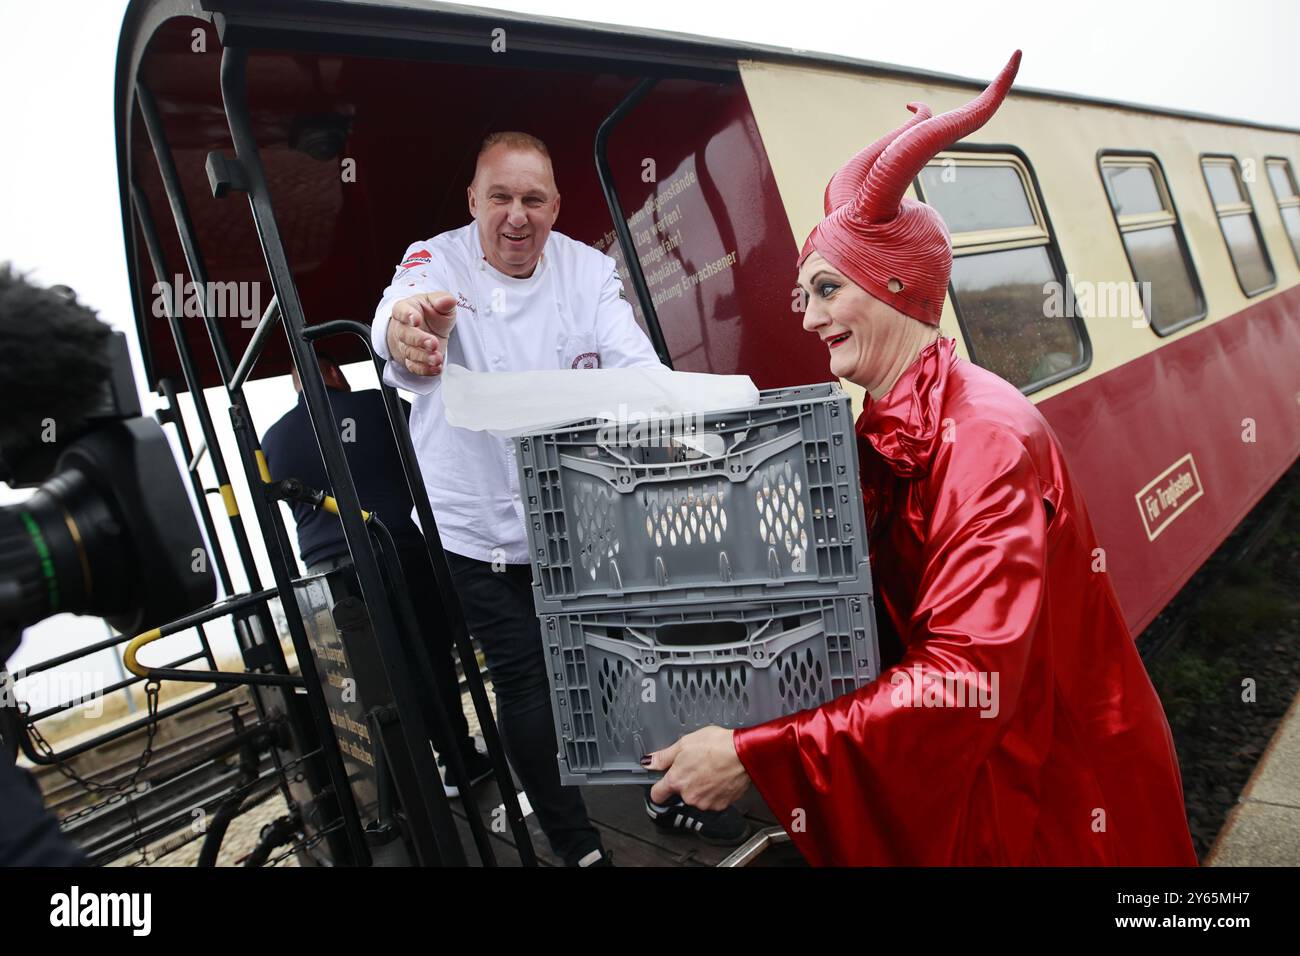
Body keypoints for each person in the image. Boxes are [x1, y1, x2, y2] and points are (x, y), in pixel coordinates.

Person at [644, 52, 1199, 866]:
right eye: (806, 294)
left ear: (897, 287)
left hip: (1058, 791)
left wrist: (757, 751)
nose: (808, 317)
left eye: (828, 290)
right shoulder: (896, 415)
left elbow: (963, 678)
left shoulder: (982, 441)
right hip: (1008, 762)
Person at [369, 131, 748, 866]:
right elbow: (400, 313)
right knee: (528, 682)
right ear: (474, 201)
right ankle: (578, 848)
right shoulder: (436, 258)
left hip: (578, 515)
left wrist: (672, 419)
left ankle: (664, 790)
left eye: (533, 199)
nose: (517, 216)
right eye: (500, 198)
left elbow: (632, 361)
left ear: (555, 206)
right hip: (473, 525)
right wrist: (408, 333)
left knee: (625, 660)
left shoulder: (585, 269)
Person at [261, 353, 493, 797]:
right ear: (329, 371)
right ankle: (458, 760)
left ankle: (401, 784)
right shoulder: (378, 405)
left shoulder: (273, 440)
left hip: (326, 574)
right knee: (428, 654)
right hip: (393, 546)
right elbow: (437, 457)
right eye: (339, 369)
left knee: (374, 674)